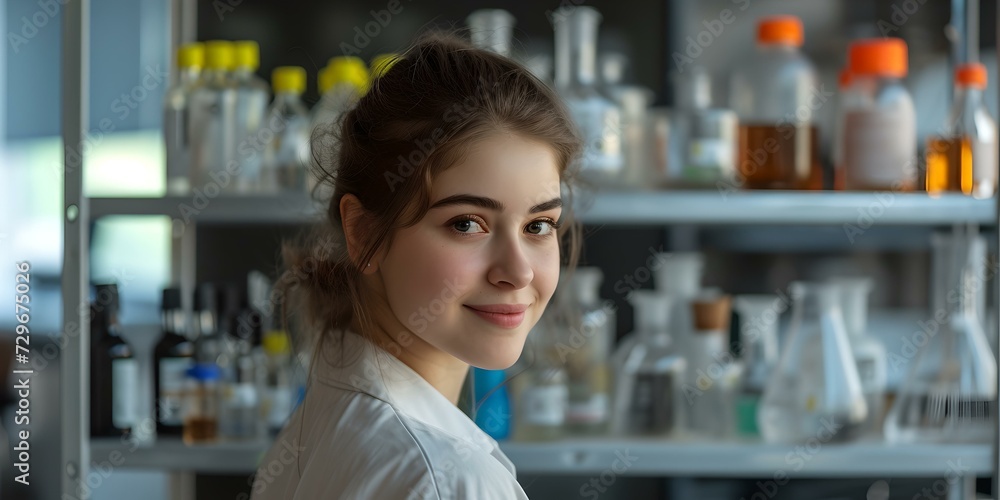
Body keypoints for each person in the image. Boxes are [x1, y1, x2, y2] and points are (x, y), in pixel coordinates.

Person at [249, 31, 583, 500]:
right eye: (467, 224)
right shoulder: (450, 481)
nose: (520, 272)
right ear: (364, 234)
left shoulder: (323, 418)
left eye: (539, 225)